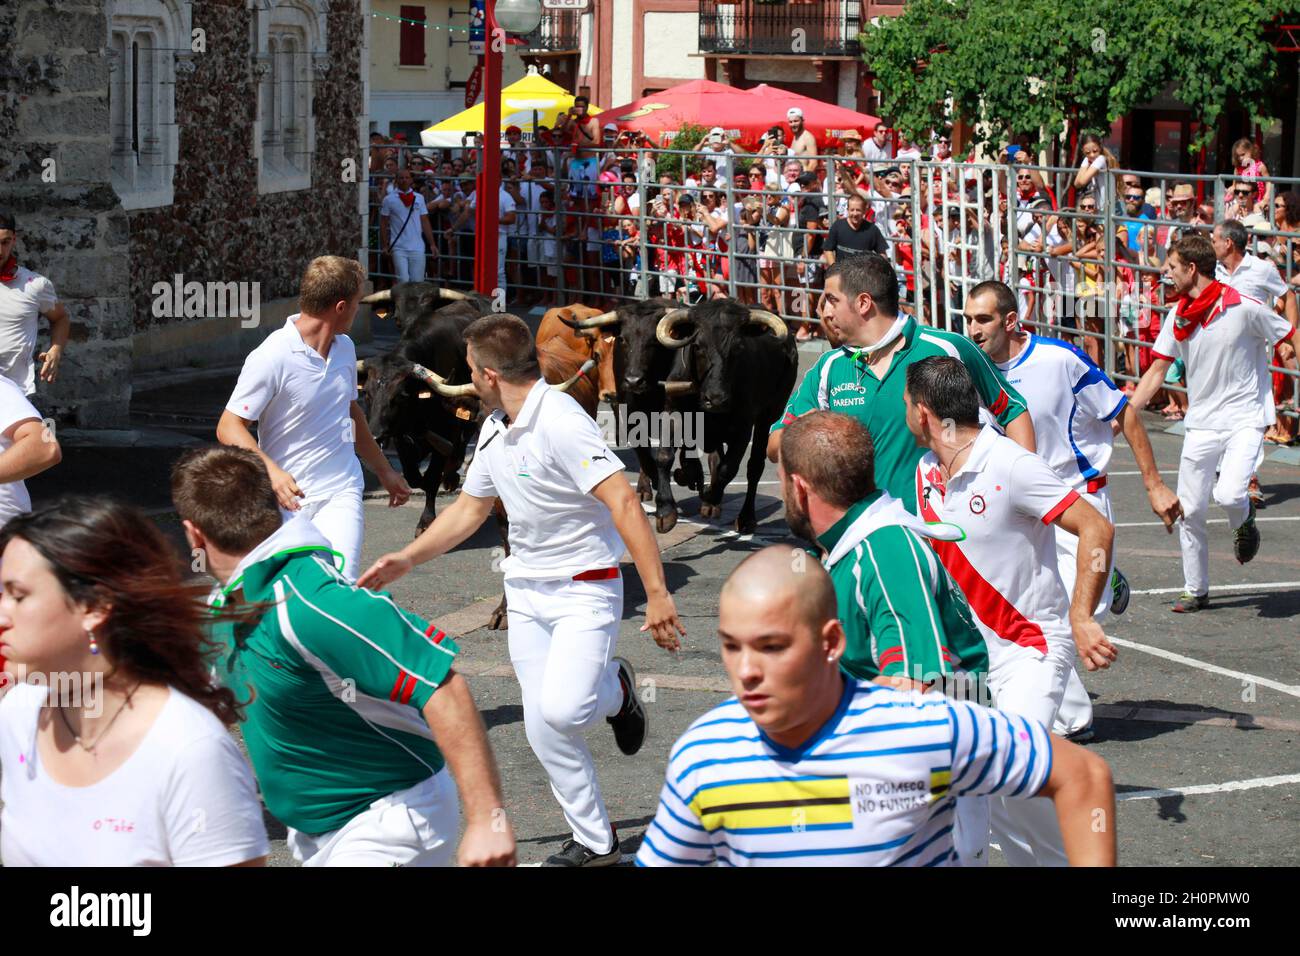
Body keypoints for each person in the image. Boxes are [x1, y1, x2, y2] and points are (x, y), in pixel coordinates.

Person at [357, 314, 685, 866]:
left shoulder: (560, 421)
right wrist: (407, 558)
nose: (465, 378)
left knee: (563, 710)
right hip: (527, 593)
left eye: (467, 369)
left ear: (487, 373)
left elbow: (625, 501)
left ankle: (617, 690)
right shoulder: (492, 427)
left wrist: (657, 592)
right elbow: (470, 508)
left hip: (586, 588)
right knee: (542, 728)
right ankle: (595, 841)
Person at [635, 545, 1117, 867]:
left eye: (772, 646)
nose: (746, 671)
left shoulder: (919, 730)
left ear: (832, 642)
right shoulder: (704, 756)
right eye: (731, 646)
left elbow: (1082, 775)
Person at [172, 446, 516, 867]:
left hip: (389, 822)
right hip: (317, 833)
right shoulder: (224, 606)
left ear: (193, 534)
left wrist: (487, 820)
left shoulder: (312, 603)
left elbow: (442, 685)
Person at [906, 356, 1117, 866]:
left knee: (1013, 768)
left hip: (1030, 647)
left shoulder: (1010, 464)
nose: (905, 414)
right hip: (968, 661)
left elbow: (1095, 527)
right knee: (990, 794)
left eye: (907, 404)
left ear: (923, 413)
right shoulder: (927, 471)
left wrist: (1082, 615)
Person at [963, 280, 1182, 738]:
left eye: (982, 319)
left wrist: (1155, 484)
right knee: (1025, 619)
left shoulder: (1058, 360)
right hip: (1017, 511)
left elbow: (1122, 413)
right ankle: (1071, 719)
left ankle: (1054, 720)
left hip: (1077, 504)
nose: (973, 328)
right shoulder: (971, 370)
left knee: (1064, 619)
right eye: (967, 319)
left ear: (1009, 320)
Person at [0, 497, 269, 866]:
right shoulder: (20, 713)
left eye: (18, 596)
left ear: (94, 607)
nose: (2, 614)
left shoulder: (189, 751)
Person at [767, 253, 1035, 513]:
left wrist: (1022, 492)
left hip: (945, 533)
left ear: (863, 303)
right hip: (864, 537)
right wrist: (811, 431)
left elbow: (1012, 410)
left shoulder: (948, 347)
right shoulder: (829, 367)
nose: (824, 311)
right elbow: (774, 447)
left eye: (832, 300)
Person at [1130, 234, 1299, 612]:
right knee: (1189, 510)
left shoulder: (1244, 306)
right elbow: (1157, 369)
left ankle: (1245, 522)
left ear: (1192, 268)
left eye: (1172, 267)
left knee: (1229, 494)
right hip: (1201, 423)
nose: (1165, 273)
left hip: (1245, 419)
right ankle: (1196, 590)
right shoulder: (1179, 315)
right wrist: (1128, 413)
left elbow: (1289, 334)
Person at [217, 256, 411, 580]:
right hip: (289, 500)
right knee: (289, 593)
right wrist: (273, 473)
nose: (358, 310)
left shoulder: (346, 348)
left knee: (340, 585)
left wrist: (384, 470)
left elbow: (350, 412)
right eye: (356, 303)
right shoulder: (272, 356)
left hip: (342, 490)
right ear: (340, 307)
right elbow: (228, 426)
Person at [0, 211, 71, 398]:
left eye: (5, 242)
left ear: (13, 240)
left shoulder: (36, 285)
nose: (0, 251)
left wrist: (55, 350)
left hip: (16, 394)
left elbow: (61, 318)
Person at [379, 168, 437, 283]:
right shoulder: (389, 200)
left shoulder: (419, 198)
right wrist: (385, 245)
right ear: (396, 180)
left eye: (407, 178)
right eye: (401, 178)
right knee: (403, 280)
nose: (404, 180)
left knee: (417, 281)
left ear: (411, 180)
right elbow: (383, 223)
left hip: (417, 247)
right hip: (398, 247)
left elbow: (425, 221)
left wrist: (432, 244)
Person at [822, 194, 888, 267]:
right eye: (852, 210)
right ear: (847, 210)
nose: (855, 213)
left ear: (864, 211)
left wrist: (878, 268)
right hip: (841, 274)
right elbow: (828, 250)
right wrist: (834, 270)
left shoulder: (872, 229)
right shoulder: (838, 226)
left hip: (864, 275)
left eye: (858, 210)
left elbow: (882, 254)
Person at [787, 107, 819, 172]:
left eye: (796, 121)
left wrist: (804, 180)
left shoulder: (807, 137)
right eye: (790, 122)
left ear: (802, 121)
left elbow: (813, 163)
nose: (793, 124)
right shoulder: (795, 137)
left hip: (803, 177)